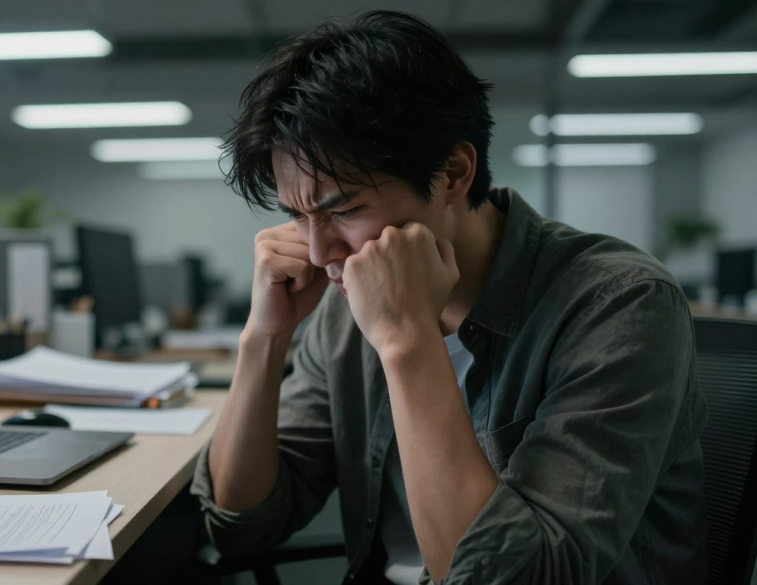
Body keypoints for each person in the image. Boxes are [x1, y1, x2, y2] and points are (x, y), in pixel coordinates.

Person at [191, 10, 706, 585]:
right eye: (298, 216)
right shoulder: (343, 306)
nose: (317, 253)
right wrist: (264, 338)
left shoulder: (619, 304)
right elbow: (243, 525)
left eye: (344, 210)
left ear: (454, 173)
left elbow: (512, 578)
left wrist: (407, 341)